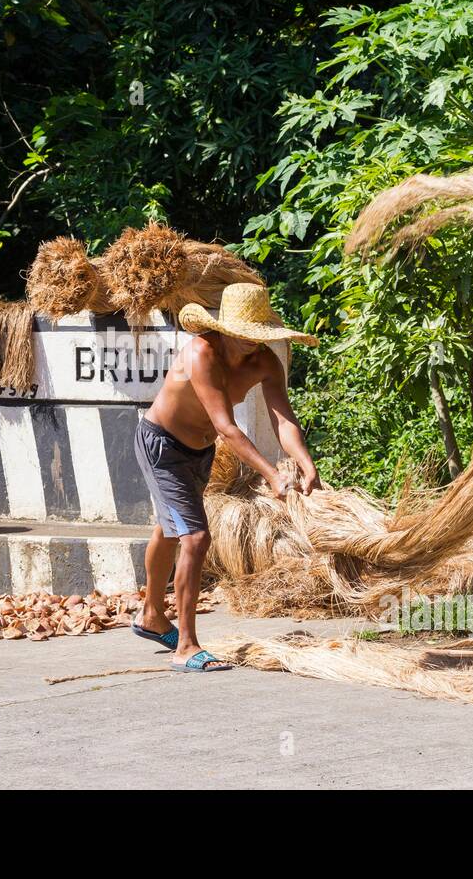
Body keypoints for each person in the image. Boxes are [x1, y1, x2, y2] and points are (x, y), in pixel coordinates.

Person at [131, 282, 320, 672]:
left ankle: (151, 614)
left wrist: (304, 462)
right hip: (161, 445)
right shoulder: (201, 353)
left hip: (199, 452)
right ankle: (185, 645)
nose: (252, 343)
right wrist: (271, 474)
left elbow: (282, 418)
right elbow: (226, 427)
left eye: (258, 335)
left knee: (170, 529)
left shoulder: (266, 362)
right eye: (244, 335)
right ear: (226, 330)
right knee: (196, 538)